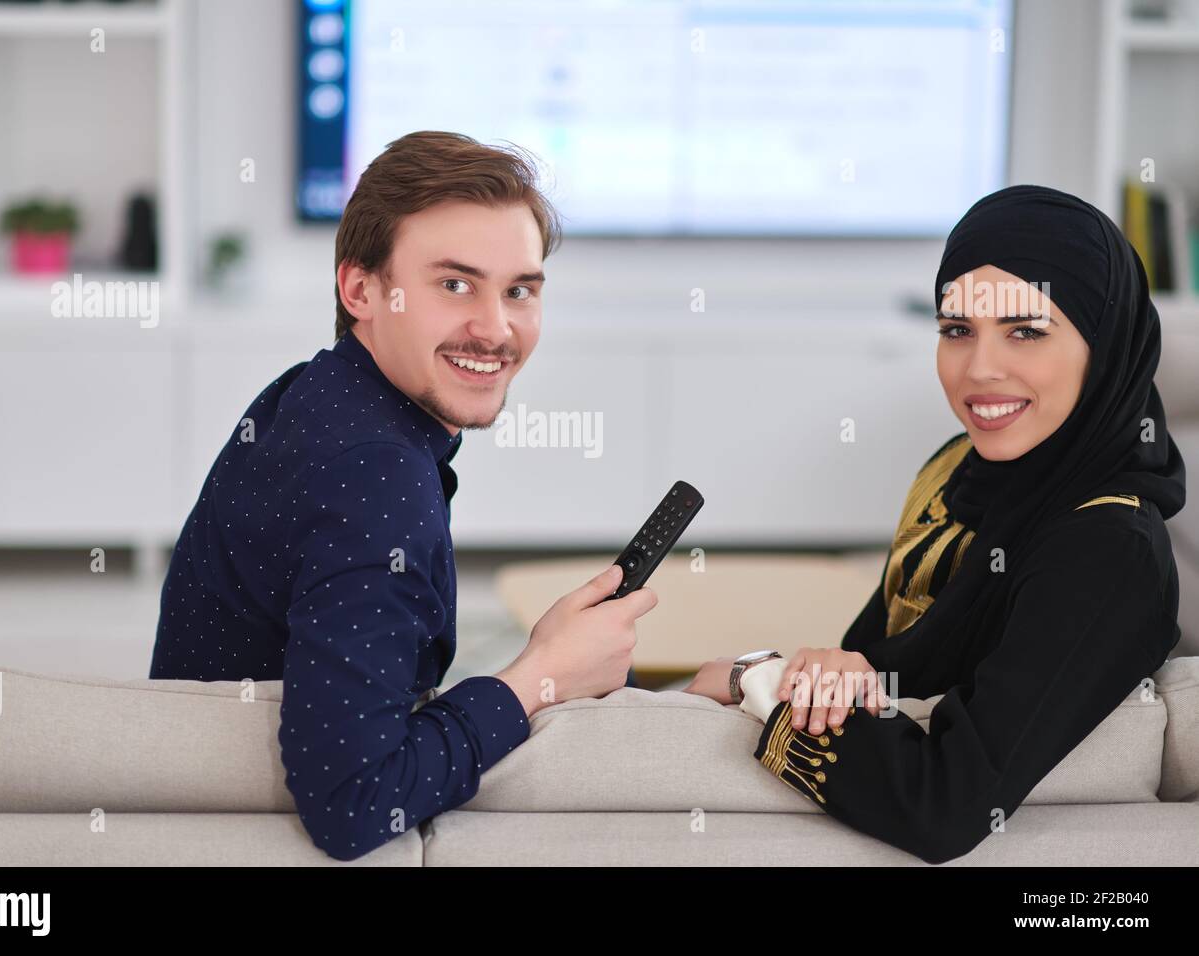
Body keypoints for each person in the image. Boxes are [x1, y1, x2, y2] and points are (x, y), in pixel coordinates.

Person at [149, 131, 657, 861]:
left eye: (519, 290)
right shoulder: (377, 475)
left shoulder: (314, 390)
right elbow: (355, 804)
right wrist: (541, 677)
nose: (496, 328)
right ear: (360, 290)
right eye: (455, 284)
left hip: (188, 779)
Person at [683, 184, 1186, 864]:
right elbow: (870, 658)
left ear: (1105, 344)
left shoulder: (1107, 553)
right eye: (956, 331)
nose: (979, 371)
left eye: (1026, 331)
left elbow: (946, 806)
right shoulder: (959, 467)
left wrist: (758, 680)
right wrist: (813, 676)